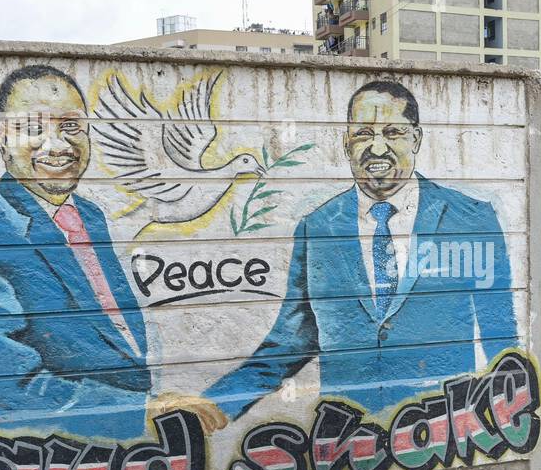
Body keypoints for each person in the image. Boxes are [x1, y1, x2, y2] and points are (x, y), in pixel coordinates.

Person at [0, 64, 223, 440]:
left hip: (116, 457)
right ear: (2, 137)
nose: (58, 146)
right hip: (19, 465)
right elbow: (7, 389)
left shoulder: (86, 216)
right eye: (33, 129)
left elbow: (110, 332)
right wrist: (140, 411)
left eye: (70, 127)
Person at [198, 79, 517, 424]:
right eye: (364, 134)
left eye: (393, 132)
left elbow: (501, 335)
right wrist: (215, 406)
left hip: (444, 433)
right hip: (346, 440)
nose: (377, 148)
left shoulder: (471, 218)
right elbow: (290, 341)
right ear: (346, 144)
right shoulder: (317, 227)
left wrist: (508, 416)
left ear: (417, 138)